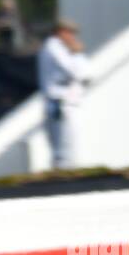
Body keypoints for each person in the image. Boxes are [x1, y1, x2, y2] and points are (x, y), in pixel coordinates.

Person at [37, 19, 90, 169]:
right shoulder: (55, 48)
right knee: (65, 150)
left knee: (64, 150)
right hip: (60, 102)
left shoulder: (53, 47)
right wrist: (77, 52)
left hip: (59, 102)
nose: (73, 37)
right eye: (71, 33)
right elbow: (78, 72)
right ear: (62, 32)